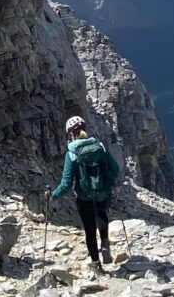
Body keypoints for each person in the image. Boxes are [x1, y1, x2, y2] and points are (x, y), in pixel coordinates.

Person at [52, 115, 122, 269]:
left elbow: (66, 183)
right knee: (102, 215)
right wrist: (109, 182)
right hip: (102, 193)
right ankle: (104, 242)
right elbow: (115, 169)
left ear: (70, 133)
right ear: (85, 129)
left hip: (84, 198)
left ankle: (96, 265)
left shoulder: (71, 153)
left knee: (89, 230)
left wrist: (53, 195)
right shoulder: (100, 147)